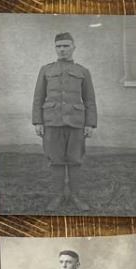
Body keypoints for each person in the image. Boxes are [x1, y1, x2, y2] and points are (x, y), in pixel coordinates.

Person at [32, 32, 98, 211]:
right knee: (56, 161)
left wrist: (90, 124)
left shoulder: (83, 72)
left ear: (73, 47)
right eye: (59, 46)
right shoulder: (46, 70)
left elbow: (89, 99)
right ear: (55, 48)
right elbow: (38, 97)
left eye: (66, 46)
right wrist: (38, 121)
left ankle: (75, 196)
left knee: (75, 160)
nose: (62, 50)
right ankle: (58, 196)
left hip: (76, 122)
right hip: (52, 122)